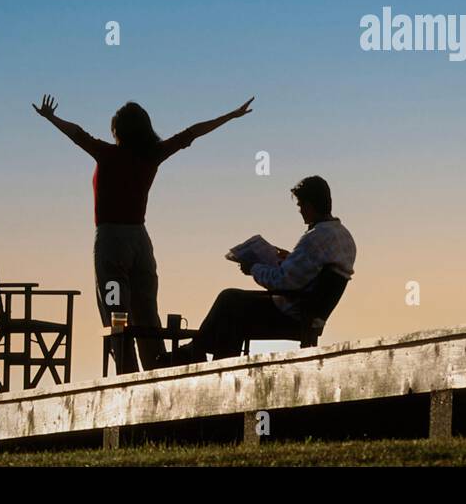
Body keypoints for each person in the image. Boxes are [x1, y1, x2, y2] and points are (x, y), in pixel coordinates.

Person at [32, 93, 254, 372]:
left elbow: (77, 134)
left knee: (116, 314)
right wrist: (230, 115)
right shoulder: (153, 155)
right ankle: (155, 369)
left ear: (118, 131)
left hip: (112, 241)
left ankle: (126, 373)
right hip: (140, 242)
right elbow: (193, 132)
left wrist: (51, 118)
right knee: (146, 311)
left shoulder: (108, 154)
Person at [169, 175, 356, 364]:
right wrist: (290, 258)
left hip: (293, 314)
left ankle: (200, 353)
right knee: (233, 306)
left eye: (300, 206)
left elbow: (281, 282)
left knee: (230, 300)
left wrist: (254, 267)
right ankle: (198, 351)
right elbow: (314, 270)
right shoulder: (344, 237)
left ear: (309, 205)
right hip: (310, 314)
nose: (299, 211)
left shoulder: (314, 238)